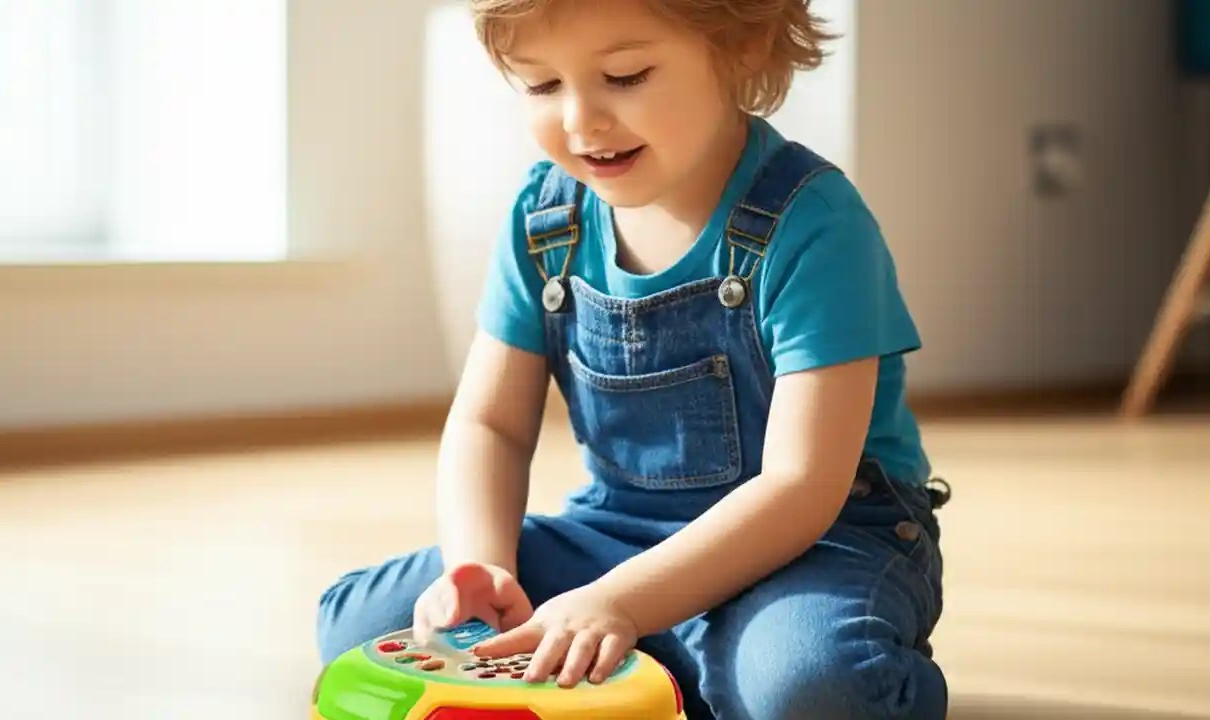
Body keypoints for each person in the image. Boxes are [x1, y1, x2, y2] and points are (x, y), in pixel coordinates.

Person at [317, 1, 951, 717]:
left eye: (625, 76)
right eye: (542, 85)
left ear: (742, 46)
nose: (581, 121)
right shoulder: (545, 221)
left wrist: (616, 602)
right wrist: (482, 566)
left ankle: (691, 653)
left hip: (816, 544)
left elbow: (801, 487)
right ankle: (667, 660)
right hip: (618, 536)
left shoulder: (816, 225)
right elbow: (490, 424)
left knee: (811, 686)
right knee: (359, 626)